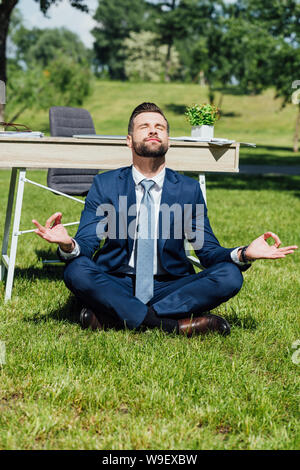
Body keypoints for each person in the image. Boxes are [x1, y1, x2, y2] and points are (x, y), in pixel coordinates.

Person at [32, 102, 298, 337]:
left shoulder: (188, 189)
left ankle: (114, 317)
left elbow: (207, 252)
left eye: (160, 126)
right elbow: (88, 242)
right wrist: (68, 245)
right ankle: (171, 326)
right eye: (144, 126)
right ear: (128, 140)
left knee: (230, 276)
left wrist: (244, 254)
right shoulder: (106, 184)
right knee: (76, 270)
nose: (153, 130)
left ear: (168, 139)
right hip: (117, 280)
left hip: (170, 286)